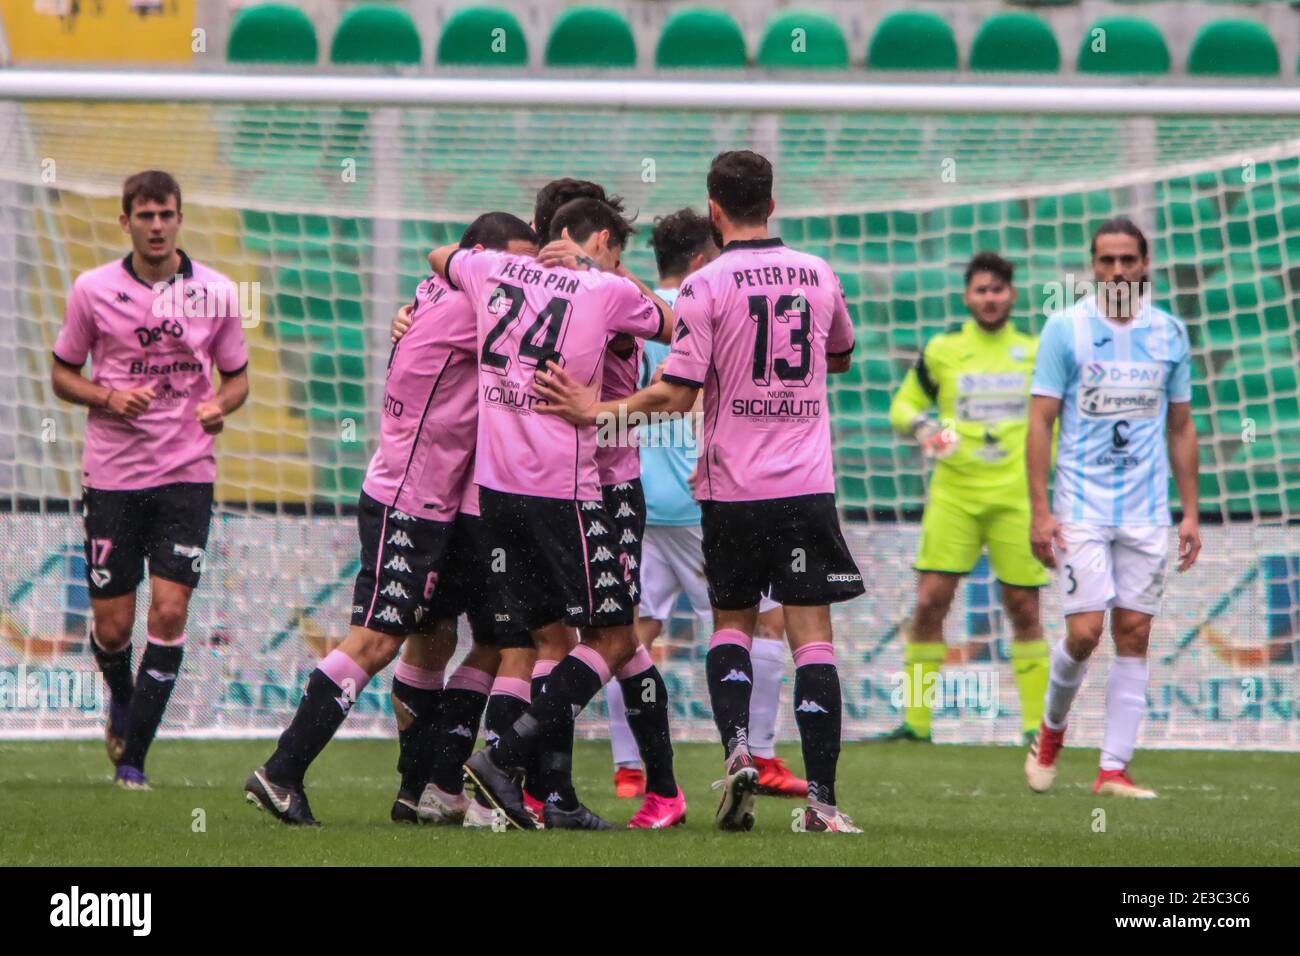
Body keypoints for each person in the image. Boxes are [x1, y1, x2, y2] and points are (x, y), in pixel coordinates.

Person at [535, 151, 865, 833]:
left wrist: (596, 412)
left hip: (731, 486)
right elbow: (839, 354)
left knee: (733, 625)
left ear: (715, 210)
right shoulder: (819, 272)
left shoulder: (706, 286)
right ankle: (824, 804)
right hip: (805, 486)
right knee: (812, 639)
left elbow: (678, 393)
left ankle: (738, 750)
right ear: (772, 204)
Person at [243, 212, 537, 825]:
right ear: (479, 258)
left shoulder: (434, 292)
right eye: (512, 267)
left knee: (433, 637)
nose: (521, 280)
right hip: (410, 499)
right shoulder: (474, 307)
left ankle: (417, 792)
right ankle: (281, 770)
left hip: (428, 496)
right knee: (376, 639)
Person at [52, 170, 249, 790]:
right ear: (125, 221)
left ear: (180, 219)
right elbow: (61, 374)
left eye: (166, 215)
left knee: (169, 611)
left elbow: (238, 378)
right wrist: (109, 397)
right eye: (145, 216)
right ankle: (121, 694)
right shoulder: (93, 290)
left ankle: (133, 759)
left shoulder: (217, 292)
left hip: (186, 474)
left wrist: (222, 406)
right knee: (112, 627)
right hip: (112, 476)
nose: (157, 226)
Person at [605, 208, 807, 800]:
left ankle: (628, 768)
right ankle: (760, 755)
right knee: (759, 620)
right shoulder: (711, 305)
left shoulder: (630, 312)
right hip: (701, 500)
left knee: (631, 631)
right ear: (700, 260)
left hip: (639, 497)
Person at [1025, 218, 1200, 799]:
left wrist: (1192, 512)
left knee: (1134, 632)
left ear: (1145, 263)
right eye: (1107, 261)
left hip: (1147, 512)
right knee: (1083, 634)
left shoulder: (1170, 333)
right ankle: (1051, 730)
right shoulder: (1065, 330)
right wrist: (1040, 511)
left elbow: (1181, 426)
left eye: (1128, 259)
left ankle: (1112, 769)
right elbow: (1040, 421)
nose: (1118, 270)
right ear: (1093, 266)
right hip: (1081, 508)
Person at [880, 252, 1049, 746]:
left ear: (1012, 295)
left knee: (1023, 606)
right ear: (966, 296)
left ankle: (1036, 728)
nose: (990, 298)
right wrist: (926, 428)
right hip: (954, 493)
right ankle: (916, 723)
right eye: (981, 290)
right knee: (931, 601)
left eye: (998, 290)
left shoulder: (1035, 351)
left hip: (1015, 495)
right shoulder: (943, 350)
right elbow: (903, 406)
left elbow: (1051, 419)